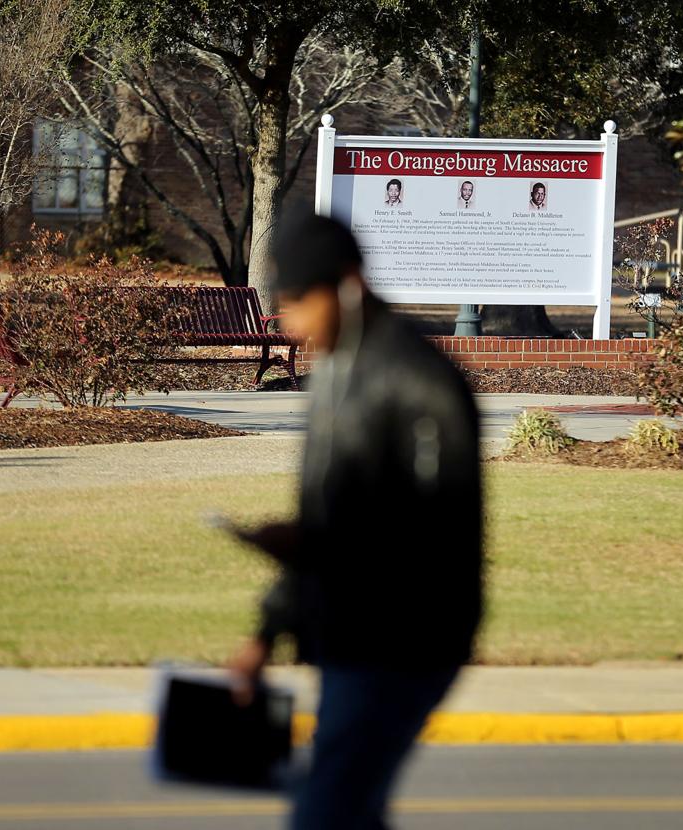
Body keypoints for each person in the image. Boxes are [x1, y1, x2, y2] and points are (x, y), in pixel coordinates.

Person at [227, 211, 482, 829]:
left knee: (325, 812)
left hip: (407, 636)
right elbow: (328, 515)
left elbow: (433, 534)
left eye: (298, 301)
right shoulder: (335, 374)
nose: (289, 321)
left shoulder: (420, 382)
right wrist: (268, 630)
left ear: (348, 284)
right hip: (346, 629)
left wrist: (319, 541)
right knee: (349, 812)